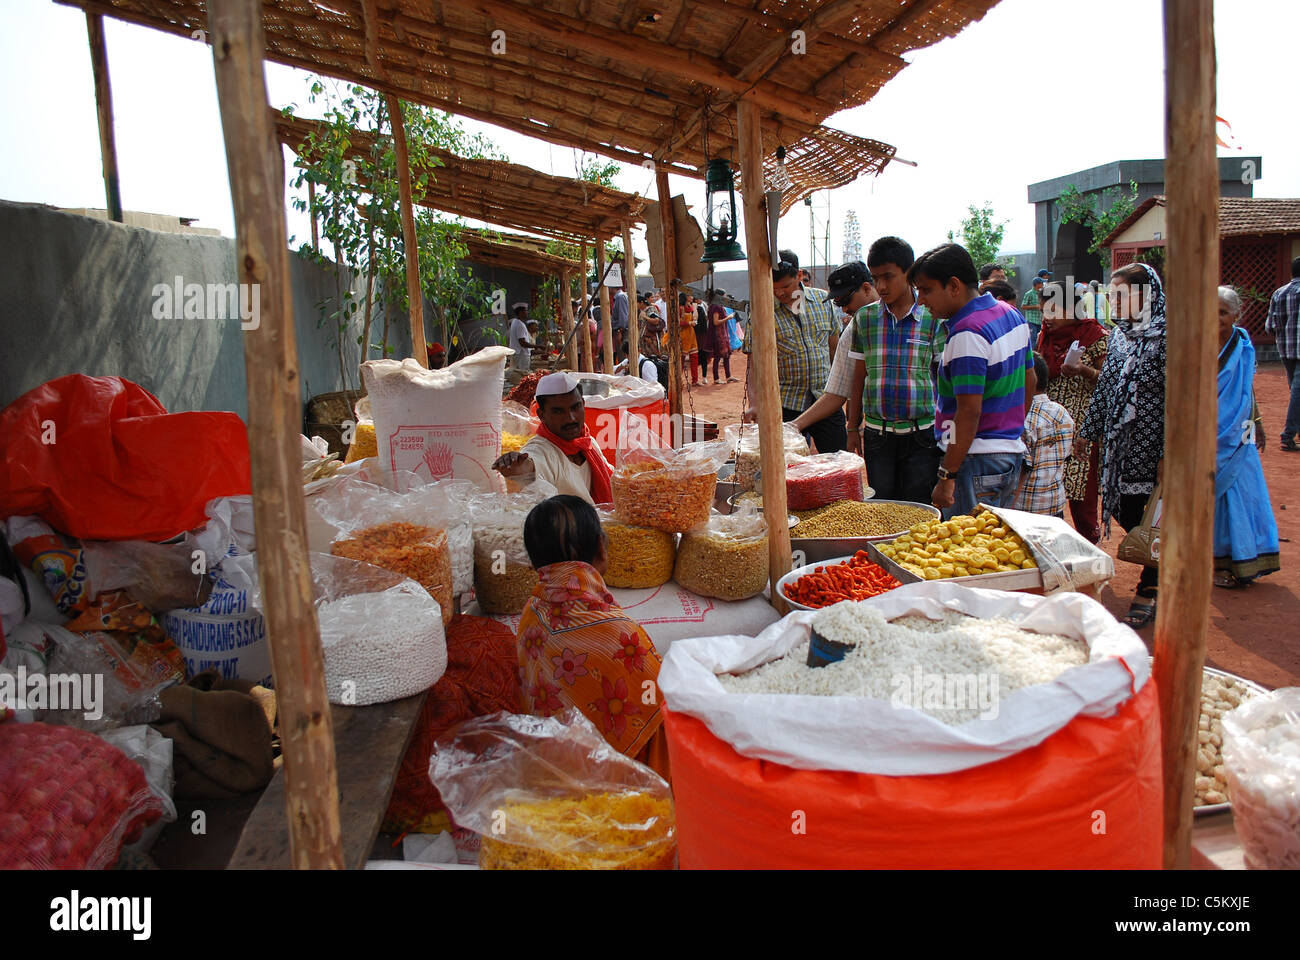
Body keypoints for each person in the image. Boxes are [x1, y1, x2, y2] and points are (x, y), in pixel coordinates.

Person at [515, 495, 668, 778]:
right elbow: (658, 711)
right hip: (613, 785)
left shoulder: (530, 614)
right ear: (601, 546)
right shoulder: (617, 633)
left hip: (549, 769)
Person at [910, 242, 1035, 518]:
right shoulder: (1010, 314)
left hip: (973, 460)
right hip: (1007, 455)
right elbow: (1030, 378)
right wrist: (1009, 428)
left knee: (967, 551)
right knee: (991, 548)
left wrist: (947, 475)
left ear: (954, 286)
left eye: (926, 289)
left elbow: (968, 411)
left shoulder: (968, 332)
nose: (921, 300)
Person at [1079, 263, 1168, 628]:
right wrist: (1088, 430)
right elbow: (1106, 387)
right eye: (1110, 295)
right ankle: (1165, 567)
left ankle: (1152, 585)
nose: (1113, 302)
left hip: (1155, 442)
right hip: (1120, 444)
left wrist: (1168, 453)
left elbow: (1181, 398)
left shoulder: (1170, 336)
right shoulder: (1119, 336)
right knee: (1123, 509)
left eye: (1121, 295)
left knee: (1155, 518)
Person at [829, 243, 946, 504]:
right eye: (875, 278)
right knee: (882, 506)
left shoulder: (932, 317)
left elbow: (943, 379)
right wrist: (851, 428)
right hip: (877, 436)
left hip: (923, 435)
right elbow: (859, 377)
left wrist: (948, 432)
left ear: (909, 273)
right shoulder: (865, 318)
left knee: (918, 507)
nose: (881, 286)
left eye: (888, 277)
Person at [1213, 286, 1280, 587]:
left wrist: (1258, 423)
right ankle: (1216, 562)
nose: (1216, 319)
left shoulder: (1243, 344)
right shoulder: (1196, 343)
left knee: (1241, 495)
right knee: (1213, 497)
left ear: (1236, 315)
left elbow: (1245, 389)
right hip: (1205, 432)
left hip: (1240, 434)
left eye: (1223, 313)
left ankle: (1242, 561)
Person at [743, 257, 846, 453]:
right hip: (785, 404)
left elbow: (835, 350)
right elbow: (754, 367)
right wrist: (754, 403)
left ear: (799, 276)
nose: (780, 293)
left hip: (824, 399)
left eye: (785, 286)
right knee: (788, 466)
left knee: (837, 462)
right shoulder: (762, 312)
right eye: (774, 289)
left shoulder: (822, 301)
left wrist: (838, 390)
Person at [1038, 280, 1108, 542]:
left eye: (1055, 311)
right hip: (1049, 428)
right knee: (1046, 491)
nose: (1048, 318)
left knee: (1081, 497)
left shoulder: (1096, 338)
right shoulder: (1043, 338)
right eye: (1045, 311)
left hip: (1083, 431)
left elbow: (1112, 381)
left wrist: (1084, 371)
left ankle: (1089, 552)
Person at [492, 372, 613, 505]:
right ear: (541, 415)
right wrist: (518, 470)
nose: (570, 418)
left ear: (583, 404)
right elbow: (531, 466)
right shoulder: (541, 450)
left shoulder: (587, 443)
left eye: (575, 407)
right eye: (558, 411)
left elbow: (611, 476)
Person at [1011, 353, 1074, 518]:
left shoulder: (1023, 416)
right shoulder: (1062, 413)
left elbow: (1023, 469)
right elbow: (1064, 455)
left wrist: (1006, 509)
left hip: (1025, 509)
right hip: (1054, 504)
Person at [1265, 256, 1300, 451]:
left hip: (1285, 350)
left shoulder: (1279, 293)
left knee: (1296, 391)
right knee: (1298, 392)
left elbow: (1271, 327)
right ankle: (1288, 435)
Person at [705, 302, 736, 384]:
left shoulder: (717, 306)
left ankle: (728, 376)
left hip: (722, 334)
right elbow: (716, 322)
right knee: (717, 356)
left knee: (726, 355)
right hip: (718, 336)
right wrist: (728, 318)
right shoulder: (716, 307)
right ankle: (716, 378)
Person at [678, 291, 700, 385]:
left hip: (691, 334)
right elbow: (678, 322)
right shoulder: (680, 308)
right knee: (681, 359)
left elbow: (695, 318)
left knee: (694, 357)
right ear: (686, 297)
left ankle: (695, 380)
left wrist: (695, 309)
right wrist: (690, 323)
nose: (692, 297)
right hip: (683, 335)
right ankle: (678, 380)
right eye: (690, 295)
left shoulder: (691, 307)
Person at [508, 306, 537, 372]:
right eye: (525, 311)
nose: (527, 312)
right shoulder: (519, 324)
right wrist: (537, 346)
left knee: (517, 373)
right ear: (520, 312)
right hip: (521, 355)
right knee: (522, 373)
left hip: (518, 354)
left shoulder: (515, 322)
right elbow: (522, 343)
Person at [1021, 276, 1044, 347]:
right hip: (1031, 320)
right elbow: (1023, 306)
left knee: (1040, 338)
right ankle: (1033, 355)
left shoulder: (1041, 293)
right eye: (1041, 283)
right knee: (1033, 338)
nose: (1042, 285)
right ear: (1037, 284)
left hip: (1039, 320)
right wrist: (1036, 306)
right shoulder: (1029, 294)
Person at [610, 283, 629, 357]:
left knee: (623, 356)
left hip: (622, 332)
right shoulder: (619, 296)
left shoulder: (620, 297)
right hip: (621, 331)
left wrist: (619, 331)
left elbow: (623, 316)